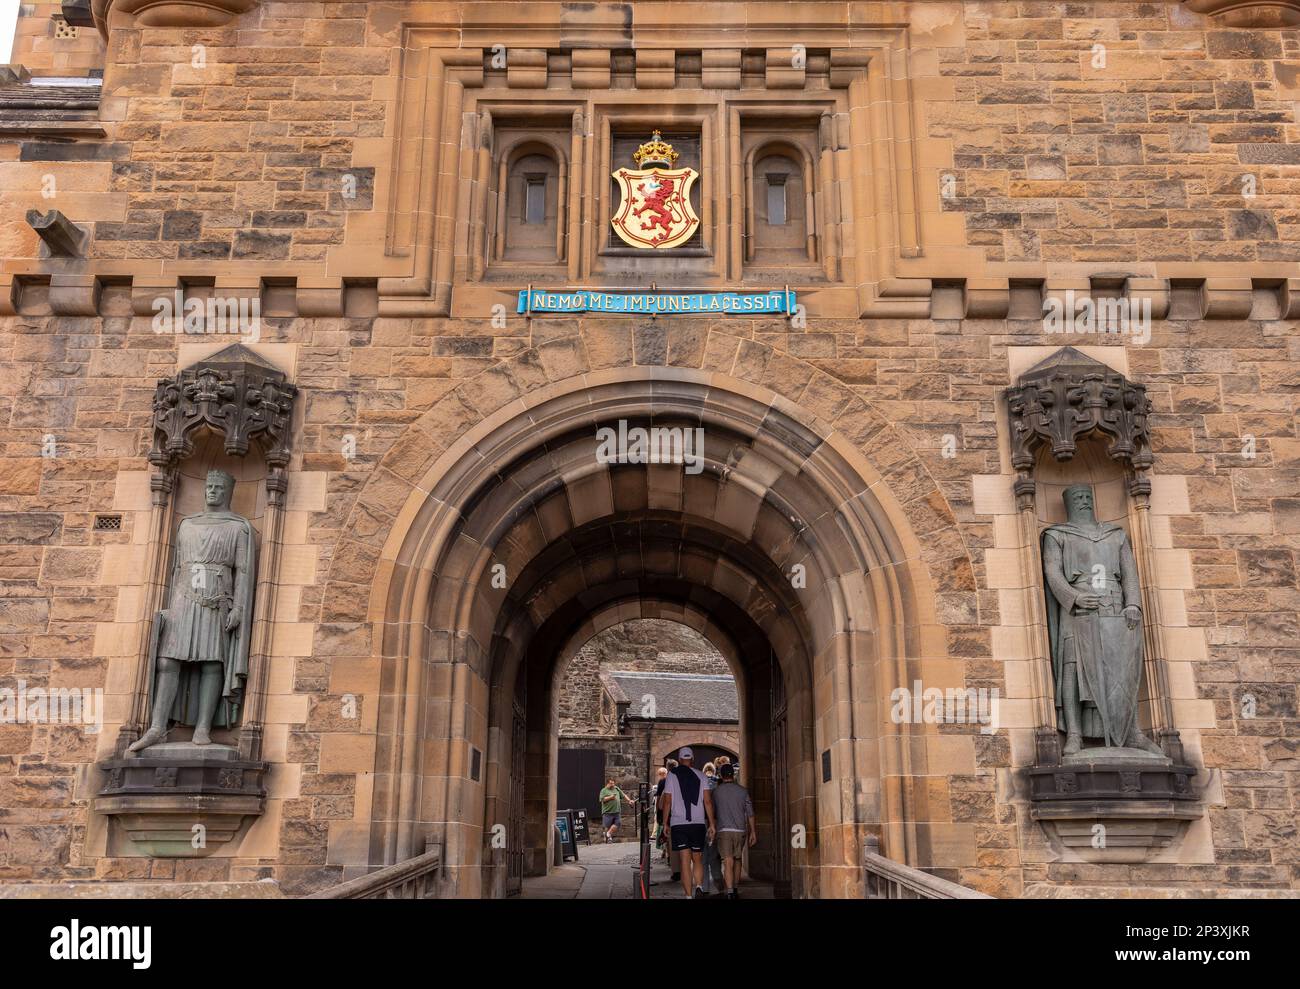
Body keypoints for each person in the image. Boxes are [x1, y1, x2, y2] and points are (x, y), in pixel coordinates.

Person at [660, 747, 716, 898]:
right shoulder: (702, 776)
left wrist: (665, 823)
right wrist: (711, 824)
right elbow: (708, 802)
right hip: (698, 823)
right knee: (697, 858)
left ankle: (688, 896)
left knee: (685, 861)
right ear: (692, 759)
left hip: (678, 823)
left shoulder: (671, 775)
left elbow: (667, 801)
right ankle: (698, 885)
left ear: (679, 759)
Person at [711, 763, 755, 899]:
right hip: (740, 830)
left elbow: (712, 812)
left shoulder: (716, 792)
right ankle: (735, 887)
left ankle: (730, 892)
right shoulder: (743, 791)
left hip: (723, 830)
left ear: (721, 775)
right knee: (737, 859)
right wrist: (753, 831)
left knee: (727, 861)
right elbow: (750, 813)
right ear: (733, 775)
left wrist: (711, 826)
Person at [598, 776, 635, 843]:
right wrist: (610, 797)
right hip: (607, 812)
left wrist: (629, 800)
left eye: (613, 783)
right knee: (607, 826)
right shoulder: (603, 790)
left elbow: (623, 795)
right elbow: (602, 800)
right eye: (611, 783)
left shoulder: (616, 789)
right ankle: (608, 838)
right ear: (607, 783)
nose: (612, 785)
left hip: (616, 811)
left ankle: (608, 834)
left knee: (618, 823)